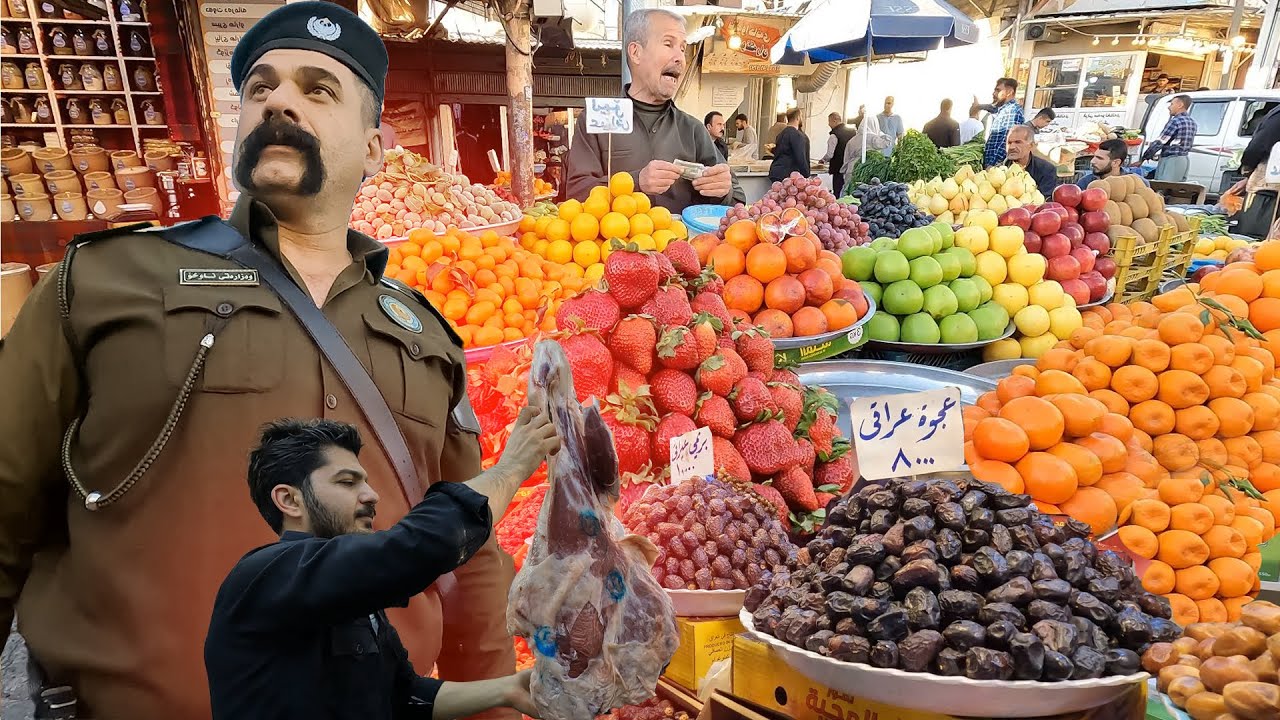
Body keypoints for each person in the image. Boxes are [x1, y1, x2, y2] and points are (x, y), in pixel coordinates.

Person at [0, 3, 524, 718]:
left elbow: (471, 549)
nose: (278, 101)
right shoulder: (104, 282)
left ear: (375, 150)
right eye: (260, 87)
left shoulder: (426, 336)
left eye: (318, 89)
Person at [206, 416, 557, 719]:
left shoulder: (346, 590)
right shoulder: (264, 575)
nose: (371, 494)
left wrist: (507, 690)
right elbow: (417, 548)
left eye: (365, 481)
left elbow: (402, 694)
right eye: (347, 482)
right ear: (289, 500)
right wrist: (510, 469)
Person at [565, 8, 742, 211]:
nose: (680, 58)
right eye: (668, 44)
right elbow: (576, 192)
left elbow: (737, 197)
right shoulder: (599, 118)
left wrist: (722, 191)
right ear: (636, 53)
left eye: (682, 48)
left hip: (679, 233)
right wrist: (635, 182)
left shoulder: (693, 129)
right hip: (615, 232)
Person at [1142, 94, 1197, 182]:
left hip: (1171, 160)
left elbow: (1161, 141)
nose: (1169, 107)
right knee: (1176, 187)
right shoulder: (1192, 122)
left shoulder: (1175, 121)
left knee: (1163, 187)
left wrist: (1145, 157)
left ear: (1180, 105)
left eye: (1172, 104)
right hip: (1184, 160)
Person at [980, 78, 1025, 168]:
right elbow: (992, 108)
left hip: (996, 168)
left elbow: (1007, 142)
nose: (994, 94)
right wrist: (979, 107)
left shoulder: (1012, 111)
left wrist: (993, 165)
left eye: (998, 90)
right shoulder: (1004, 110)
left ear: (1009, 92)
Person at [1075, 138, 1151, 190]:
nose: (1092, 161)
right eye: (1094, 156)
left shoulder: (1138, 183)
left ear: (1116, 162)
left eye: (1099, 158)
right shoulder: (1086, 182)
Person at [1005, 125, 1057, 197]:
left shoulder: (1046, 170)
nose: (1012, 147)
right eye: (1009, 143)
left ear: (1031, 145)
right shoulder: (999, 170)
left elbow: (1046, 199)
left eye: (1018, 142)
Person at [769, 108, 810, 182]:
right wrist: (806, 174)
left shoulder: (780, 134)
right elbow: (800, 157)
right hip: (789, 174)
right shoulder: (797, 135)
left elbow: (779, 152)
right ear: (798, 117)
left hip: (776, 172)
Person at [821, 111, 855, 194]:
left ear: (834, 121)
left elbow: (830, 154)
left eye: (829, 121)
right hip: (851, 167)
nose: (829, 124)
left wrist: (823, 160)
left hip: (838, 168)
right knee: (849, 191)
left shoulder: (834, 135)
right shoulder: (853, 132)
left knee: (838, 191)